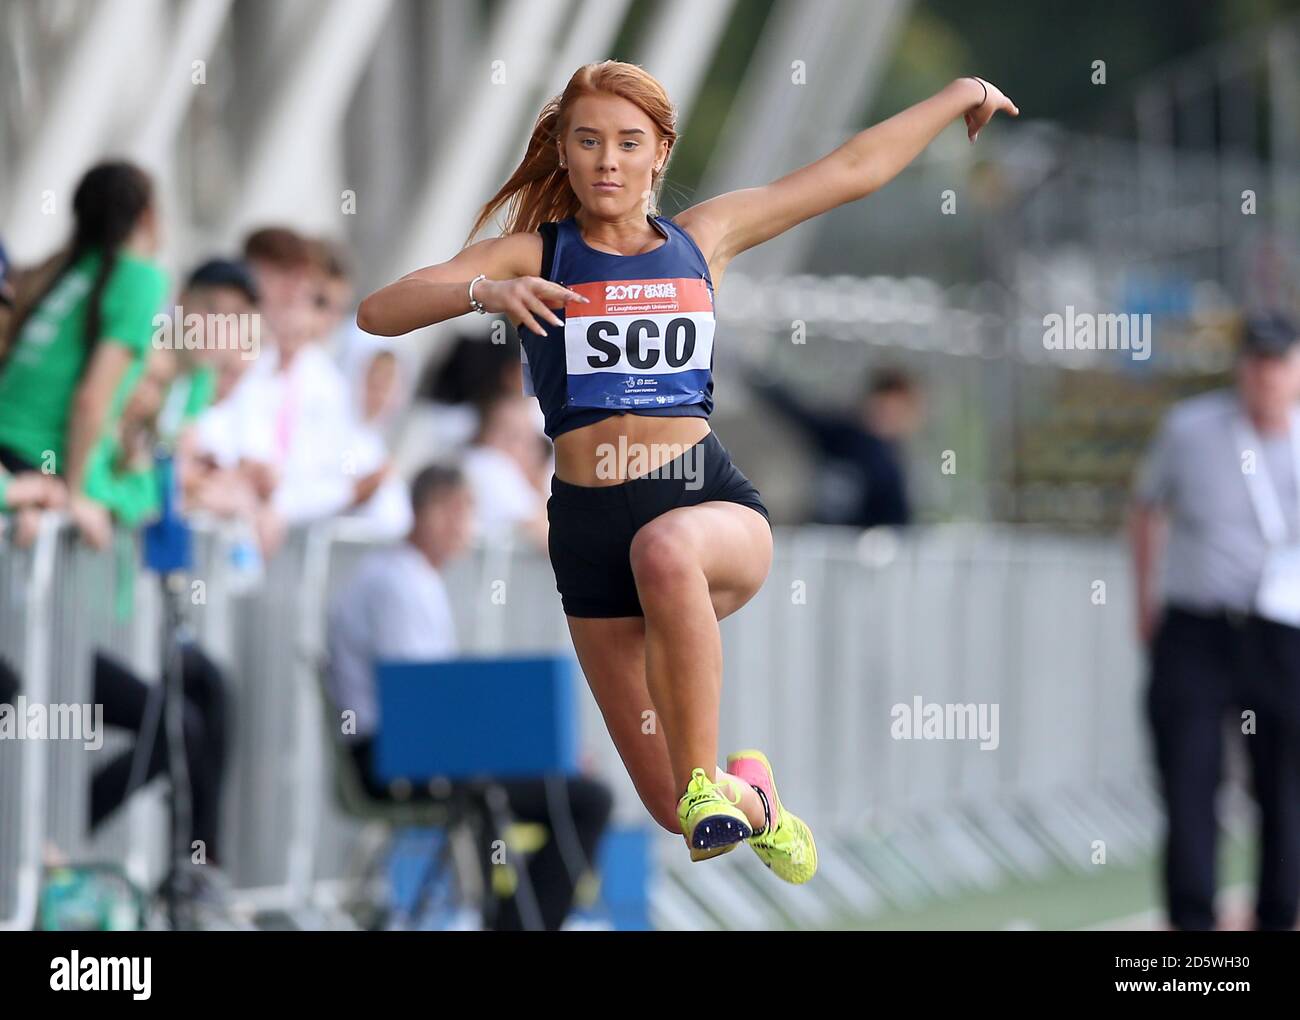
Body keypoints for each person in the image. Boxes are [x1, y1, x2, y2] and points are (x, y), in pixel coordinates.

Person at [358, 60, 1017, 882]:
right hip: (589, 533)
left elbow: (851, 172)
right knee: (673, 811)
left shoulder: (704, 238)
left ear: (660, 154)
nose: (607, 160)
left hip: (704, 506)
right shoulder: (537, 252)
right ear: (561, 151)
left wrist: (957, 94)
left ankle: (709, 781)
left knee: (665, 552)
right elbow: (378, 311)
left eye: (628, 143)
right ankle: (747, 792)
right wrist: (486, 290)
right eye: (588, 141)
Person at [326, 464, 612, 931]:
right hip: (394, 758)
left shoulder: (410, 578)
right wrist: (533, 751)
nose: (468, 528)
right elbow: (423, 703)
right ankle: (518, 926)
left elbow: (438, 706)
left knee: (562, 790)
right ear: (435, 512)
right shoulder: (397, 584)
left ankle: (514, 922)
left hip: (414, 751)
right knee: (586, 800)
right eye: (464, 512)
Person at [1130, 312, 1300, 932]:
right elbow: (1147, 510)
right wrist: (1142, 605)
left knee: (1284, 785)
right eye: (1255, 361)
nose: (1266, 376)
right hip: (1198, 627)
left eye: (1279, 362)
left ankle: (1279, 915)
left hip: (1283, 635)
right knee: (1189, 778)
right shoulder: (1192, 429)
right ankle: (1193, 935)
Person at [0, 160, 166, 549]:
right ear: (147, 216)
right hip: (38, 461)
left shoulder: (59, 270)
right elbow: (92, 398)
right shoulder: (139, 278)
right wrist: (75, 496)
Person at [746, 363, 924, 526]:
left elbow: (897, 522)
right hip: (820, 535)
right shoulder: (841, 433)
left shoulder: (891, 466)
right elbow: (798, 411)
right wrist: (761, 381)